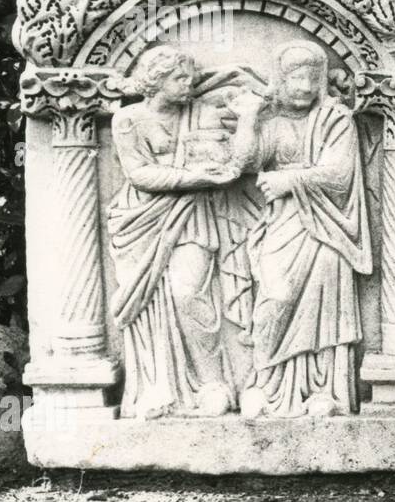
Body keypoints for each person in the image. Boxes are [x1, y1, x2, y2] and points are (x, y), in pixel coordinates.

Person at [231, 40, 373, 417]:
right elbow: (244, 162)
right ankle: (264, 382)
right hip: (284, 224)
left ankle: (324, 390)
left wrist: (287, 180)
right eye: (297, 77)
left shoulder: (335, 118)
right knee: (274, 299)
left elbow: (339, 174)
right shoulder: (272, 121)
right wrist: (248, 117)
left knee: (325, 307)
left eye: (313, 78)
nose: (306, 86)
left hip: (328, 225)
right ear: (281, 77)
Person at [109, 46, 239, 419]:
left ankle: (213, 383)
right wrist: (196, 177)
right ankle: (157, 387)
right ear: (155, 80)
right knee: (147, 306)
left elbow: (230, 144)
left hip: (192, 216)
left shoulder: (201, 111)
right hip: (140, 221)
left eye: (191, 77)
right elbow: (140, 174)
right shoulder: (128, 120)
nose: (189, 84)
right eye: (179, 78)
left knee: (188, 294)